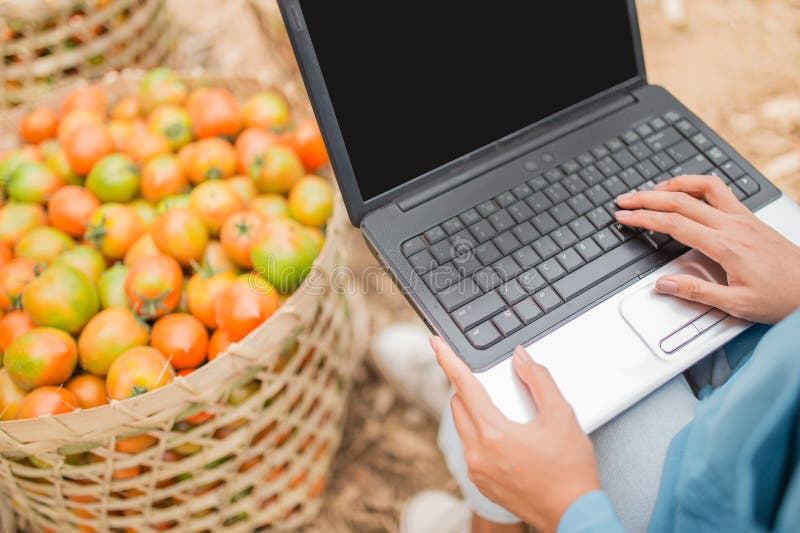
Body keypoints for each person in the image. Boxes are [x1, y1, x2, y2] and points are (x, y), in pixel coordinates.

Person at [399, 175, 800, 533]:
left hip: (697, 502)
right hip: (769, 365)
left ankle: (488, 487)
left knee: (515, 380)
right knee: (522, 350)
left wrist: (569, 509)